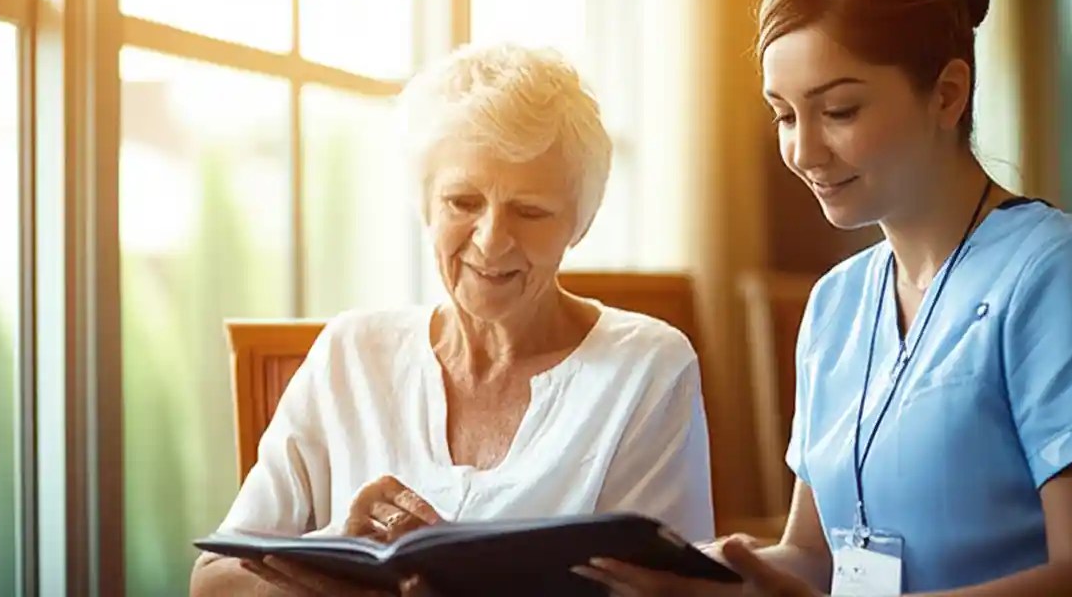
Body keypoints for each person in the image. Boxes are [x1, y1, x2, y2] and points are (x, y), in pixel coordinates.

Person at [579, 0, 1072, 596]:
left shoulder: (1055, 274)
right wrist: (720, 579)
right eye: (784, 115)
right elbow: (813, 559)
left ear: (947, 94)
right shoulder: (838, 302)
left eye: (838, 110)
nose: (803, 151)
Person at [190, 43, 715, 596]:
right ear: (427, 206)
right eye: (463, 202)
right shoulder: (350, 352)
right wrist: (330, 562)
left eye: (530, 210)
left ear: (578, 224)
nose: (491, 241)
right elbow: (212, 582)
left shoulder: (647, 366)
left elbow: (667, 591)